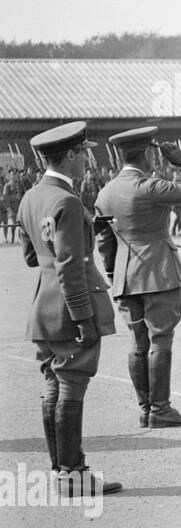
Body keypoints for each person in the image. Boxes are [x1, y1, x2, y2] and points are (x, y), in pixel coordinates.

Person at [19, 122, 121, 495]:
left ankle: (61, 472)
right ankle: (73, 473)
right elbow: (71, 266)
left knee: (53, 385)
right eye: (84, 153)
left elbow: (32, 257)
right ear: (72, 155)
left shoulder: (31, 196)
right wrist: (83, 319)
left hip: (43, 306)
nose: (88, 159)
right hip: (69, 308)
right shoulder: (67, 200)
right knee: (72, 387)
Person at [95, 126, 181, 427]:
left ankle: (145, 409)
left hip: (124, 276)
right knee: (160, 339)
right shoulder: (148, 186)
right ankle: (160, 409)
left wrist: (114, 272)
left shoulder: (106, 192)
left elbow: (105, 242)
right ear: (147, 153)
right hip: (157, 273)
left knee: (137, 342)